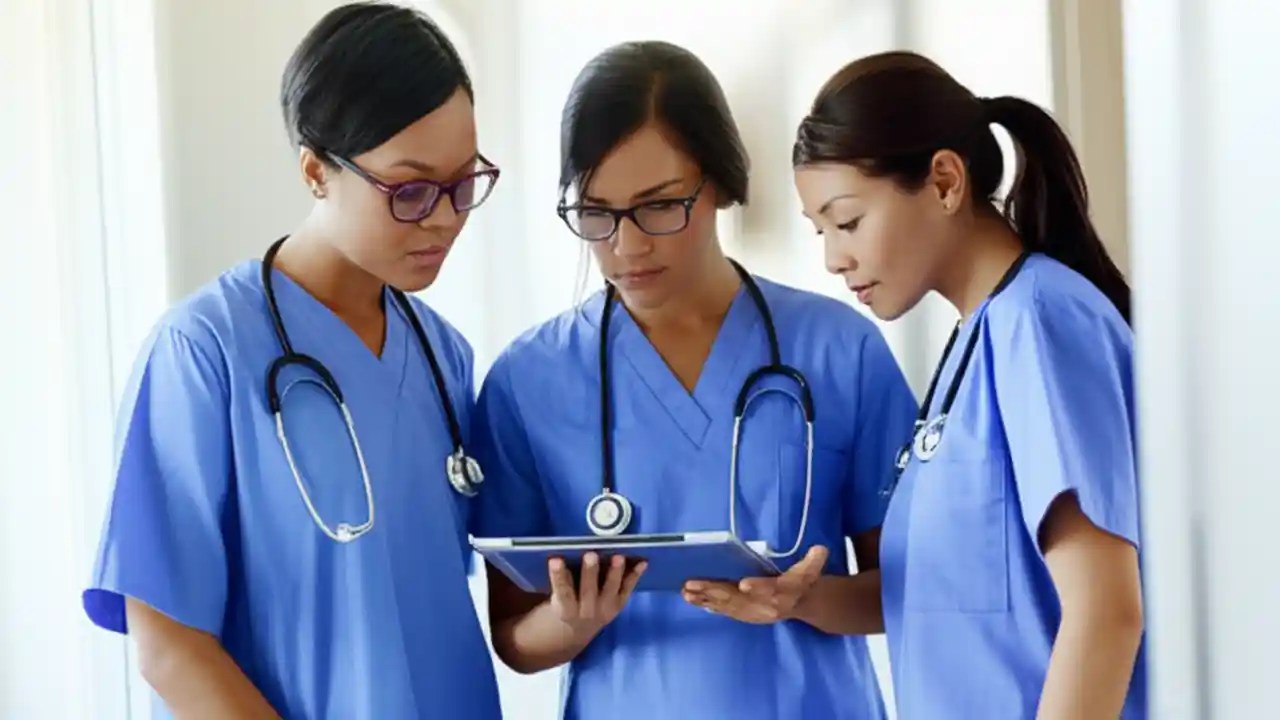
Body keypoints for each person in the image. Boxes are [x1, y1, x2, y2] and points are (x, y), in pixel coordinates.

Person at [470, 41, 917, 720]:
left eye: (658, 206)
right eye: (595, 213)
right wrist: (572, 621)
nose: (626, 246)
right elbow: (513, 638)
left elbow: (912, 589)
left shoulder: (837, 349)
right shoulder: (526, 380)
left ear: (719, 185)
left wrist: (808, 599)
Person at [81, 4, 503, 718]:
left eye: (464, 184)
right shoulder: (205, 351)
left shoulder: (443, 356)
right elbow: (167, 643)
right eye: (410, 190)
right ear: (314, 169)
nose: (444, 217)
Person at [782, 50, 1146, 718]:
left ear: (946, 181)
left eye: (848, 221)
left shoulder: (1039, 322)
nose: (834, 259)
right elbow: (940, 598)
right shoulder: (975, 344)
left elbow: (1107, 610)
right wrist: (797, 599)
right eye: (821, 231)